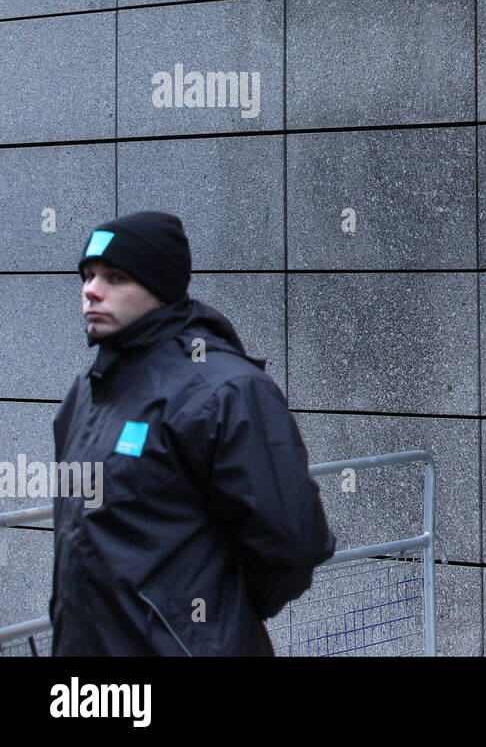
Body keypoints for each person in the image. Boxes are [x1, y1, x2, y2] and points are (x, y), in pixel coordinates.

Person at [50, 210, 335, 655]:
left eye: (116, 277)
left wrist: (212, 620)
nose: (91, 290)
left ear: (160, 286)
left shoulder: (226, 390)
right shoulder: (84, 395)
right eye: (87, 275)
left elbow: (292, 542)